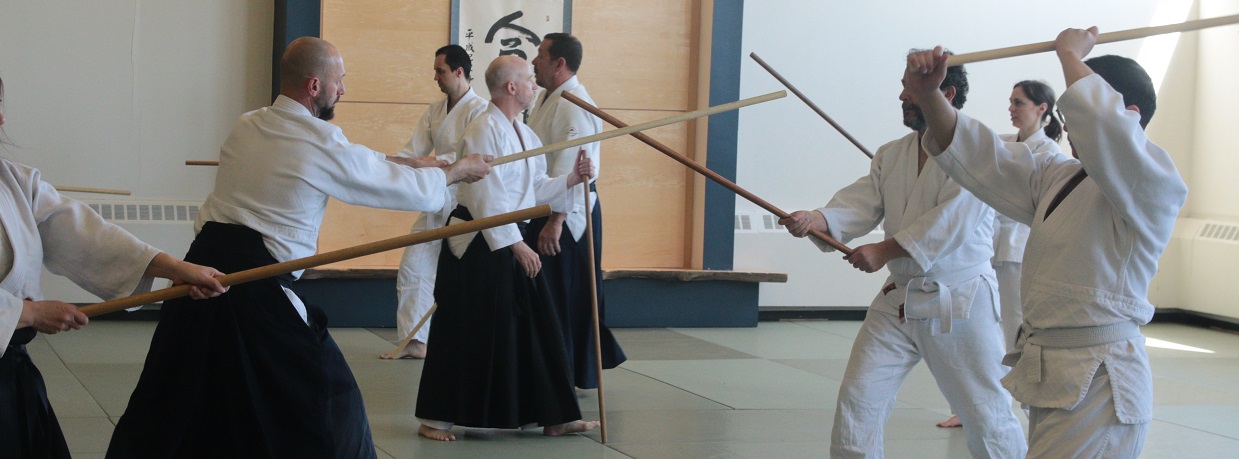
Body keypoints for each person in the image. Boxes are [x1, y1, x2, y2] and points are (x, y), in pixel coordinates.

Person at [106, 37, 491, 458]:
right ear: (314, 86)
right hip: (255, 291)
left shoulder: (248, 124)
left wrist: (413, 163)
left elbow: (359, 160)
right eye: (338, 81)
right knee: (327, 401)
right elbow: (388, 184)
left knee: (179, 397)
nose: (342, 89)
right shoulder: (317, 141)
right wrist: (455, 172)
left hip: (197, 276)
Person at [909, 28, 1188, 458]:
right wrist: (930, 96)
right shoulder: (1059, 175)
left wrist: (1070, 53)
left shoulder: (1155, 180)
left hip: (1101, 376)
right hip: (1054, 370)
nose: (1069, 125)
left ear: (1128, 115)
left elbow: (1101, 122)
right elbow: (982, 158)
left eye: (1077, 110)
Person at [779, 51, 1025, 458]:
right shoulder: (892, 153)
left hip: (959, 298)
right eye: (904, 87)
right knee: (858, 399)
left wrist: (884, 250)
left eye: (909, 89)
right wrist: (818, 219)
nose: (901, 96)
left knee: (985, 412)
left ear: (945, 92)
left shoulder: (979, 149)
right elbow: (861, 203)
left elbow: (950, 222)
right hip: (900, 296)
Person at [0, 76, 227, 459]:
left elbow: (81, 231)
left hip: (12, 373)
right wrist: (28, 312)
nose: (2, 119)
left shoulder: (14, 180)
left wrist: (173, 267)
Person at [414, 55, 599, 442]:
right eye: (529, 79)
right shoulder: (483, 130)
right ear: (511, 87)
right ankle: (436, 418)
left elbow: (535, 188)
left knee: (539, 326)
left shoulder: (525, 133)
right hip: (477, 241)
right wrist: (516, 246)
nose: (535, 84)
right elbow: (487, 196)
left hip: (507, 236)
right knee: (464, 328)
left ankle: (556, 416)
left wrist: (571, 178)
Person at [937, 79, 1064, 429]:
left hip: (1018, 250)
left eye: (1019, 103)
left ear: (1042, 109)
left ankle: (1027, 408)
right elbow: (972, 154)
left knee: (1017, 329)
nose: (1011, 108)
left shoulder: (1050, 152)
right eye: (1010, 101)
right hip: (985, 248)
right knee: (983, 331)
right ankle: (977, 405)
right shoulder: (1004, 142)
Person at [527, 32, 626, 389]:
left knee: (564, 295)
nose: (534, 61)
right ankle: (554, 369)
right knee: (549, 295)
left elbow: (571, 166)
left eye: (540, 55)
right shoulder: (546, 98)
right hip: (546, 204)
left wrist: (555, 220)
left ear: (559, 63)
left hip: (568, 214)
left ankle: (564, 373)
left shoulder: (575, 104)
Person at [381, 44, 489, 360]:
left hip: (467, 204)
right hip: (435, 197)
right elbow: (413, 152)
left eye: (440, 71)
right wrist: (382, 162)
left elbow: (473, 158)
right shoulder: (435, 111)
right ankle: (416, 341)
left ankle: (473, 341)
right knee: (413, 266)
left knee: (466, 276)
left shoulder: (481, 111)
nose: (436, 78)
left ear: (459, 71)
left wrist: (430, 164)